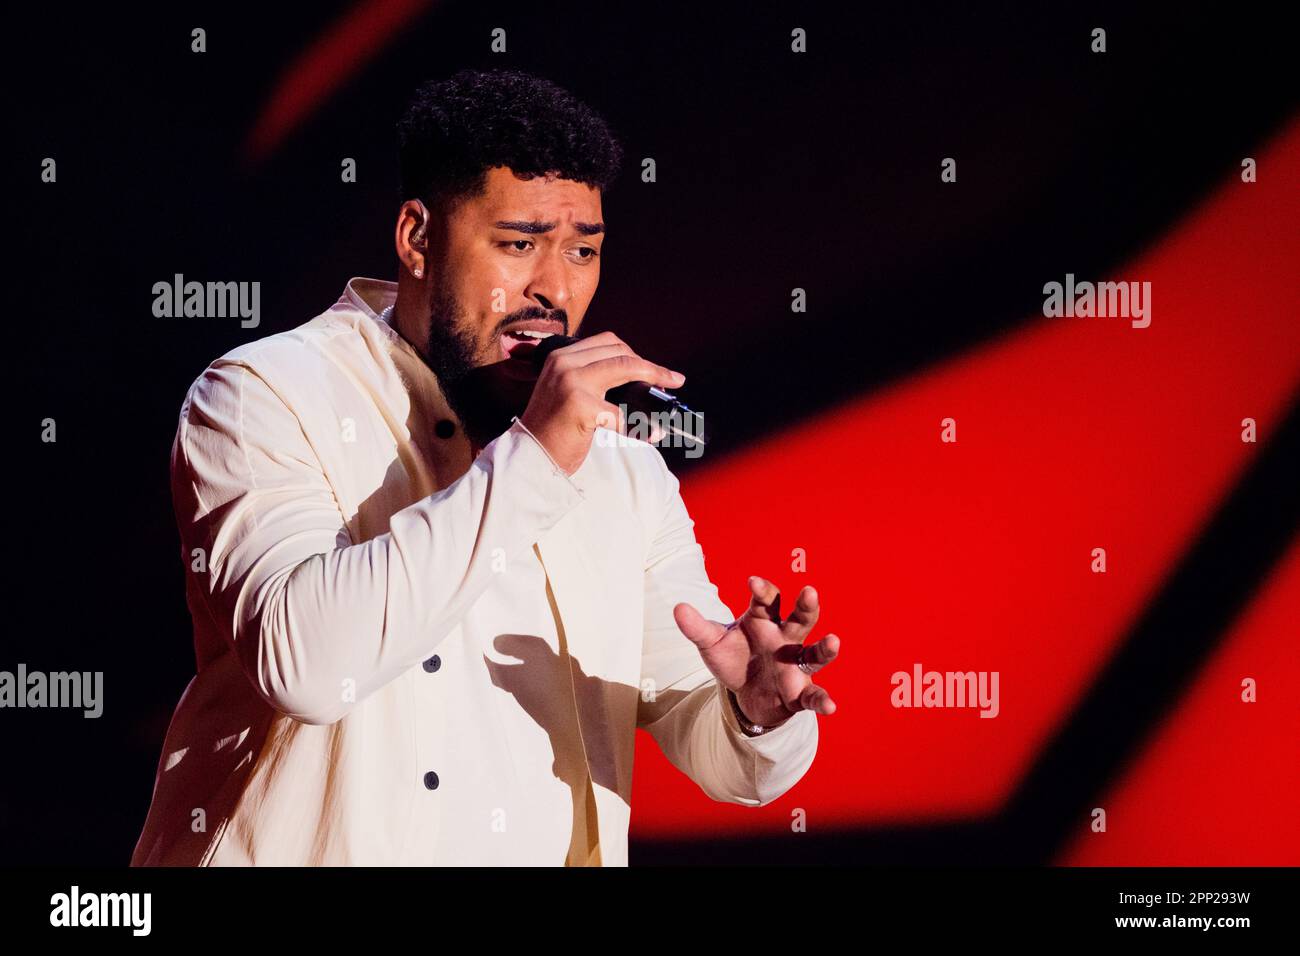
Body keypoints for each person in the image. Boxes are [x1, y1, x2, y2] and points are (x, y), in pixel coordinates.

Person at [131, 68, 840, 867]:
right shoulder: (264, 392)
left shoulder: (622, 466)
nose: (555, 288)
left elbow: (710, 744)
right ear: (417, 237)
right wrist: (536, 460)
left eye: (581, 251)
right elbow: (305, 666)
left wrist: (753, 712)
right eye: (518, 244)